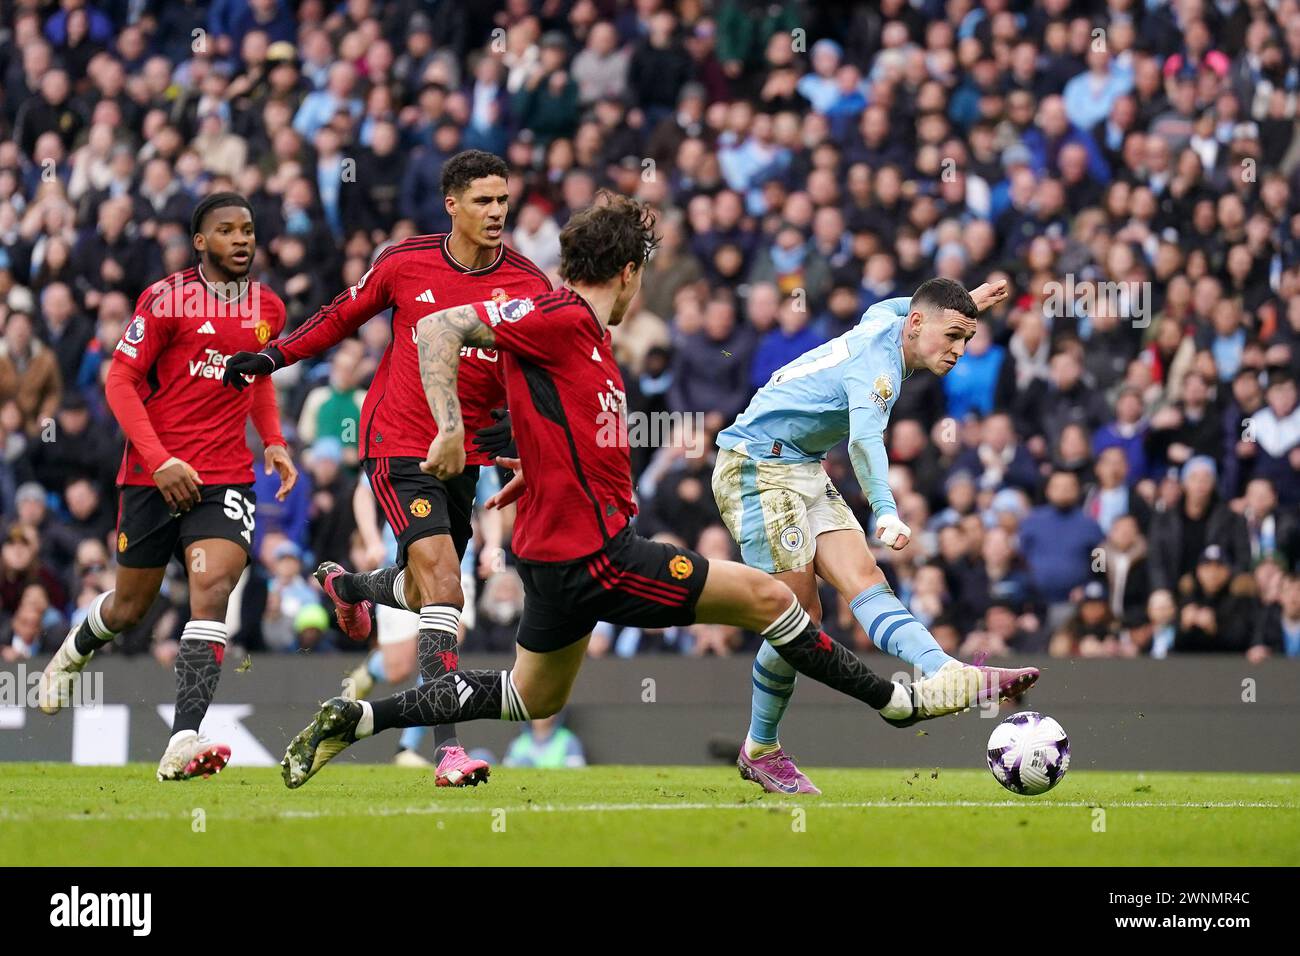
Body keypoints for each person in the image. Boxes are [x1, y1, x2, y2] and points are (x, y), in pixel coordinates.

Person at [280, 193, 1038, 790]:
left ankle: (358, 718)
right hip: (599, 554)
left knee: (530, 698)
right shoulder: (562, 316)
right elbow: (439, 329)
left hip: (554, 557)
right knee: (777, 603)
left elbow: (540, 408)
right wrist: (449, 428)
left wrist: (514, 455)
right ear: (629, 274)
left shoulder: (573, 332)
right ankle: (900, 705)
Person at [222, 150, 552, 788]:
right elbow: (339, 317)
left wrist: (522, 429)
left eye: (502, 200)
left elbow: (540, 371)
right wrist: (270, 358)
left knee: (424, 588)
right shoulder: (405, 263)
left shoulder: (529, 284)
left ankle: (351, 589)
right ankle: (447, 751)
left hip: (466, 454)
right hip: (398, 440)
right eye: (482, 200)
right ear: (451, 204)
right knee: (446, 588)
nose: (495, 212)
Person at [709, 276, 1020, 794]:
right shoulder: (879, 370)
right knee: (799, 619)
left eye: (966, 339)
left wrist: (967, 303)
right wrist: (885, 509)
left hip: (801, 466)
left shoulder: (886, 321)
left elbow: (900, 302)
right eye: (952, 337)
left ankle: (942, 670)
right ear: (918, 326)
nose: (959, 351)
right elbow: (865, 442)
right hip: (754, 467)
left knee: (866, 578)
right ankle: (761, 747)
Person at [38, 192, 298, 781]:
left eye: (249, 230)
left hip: (225, 474)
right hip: (151, 476)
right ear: (200, 242)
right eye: (227, 231)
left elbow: (256, 375)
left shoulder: (268, 308)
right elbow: (120, 381)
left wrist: (275, 440)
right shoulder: (164, 300)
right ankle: (75, 649)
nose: (242, 240)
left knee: (213, 585)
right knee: (131, 606)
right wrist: (159, 460)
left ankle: (183, 738)